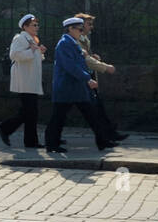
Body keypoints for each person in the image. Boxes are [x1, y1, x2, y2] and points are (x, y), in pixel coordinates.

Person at [45, 17, 115, 155]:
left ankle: (102, 141)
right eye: (80, 29)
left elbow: (79, 64)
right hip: (67, 87)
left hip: (75, 87)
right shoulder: (64, 44)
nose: (82, 32)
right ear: (70, 29)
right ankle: (51, 144)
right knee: (59, 117)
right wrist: (87, 78)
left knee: (90, 114)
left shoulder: (73, 43)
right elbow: (71, 66)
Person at [76, 13, 125, 142]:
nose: (91, 27)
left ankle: (108, 135)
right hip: (82, 78)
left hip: (88, 76)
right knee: (90, 109)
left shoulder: (84, 39)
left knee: (97, 107)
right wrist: (105, 67)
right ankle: (105, 136)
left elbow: (87, 57)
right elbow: (85, 60)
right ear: (80, 25)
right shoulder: (76, 40)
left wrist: (94, 57)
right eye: (89, 24)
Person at [0, 14, 45, 148]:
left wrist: (40, 52)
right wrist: (32, 51)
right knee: (29, 111)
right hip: (24, 79)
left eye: (37, 24)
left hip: (30, 79)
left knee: (29, 111)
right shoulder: (20, 38)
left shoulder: (32, 39)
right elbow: (14, 55)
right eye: (34, 25)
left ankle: (29, 141)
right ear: (25, 27)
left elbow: (33, 58)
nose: (37, 27)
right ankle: (6, 129)